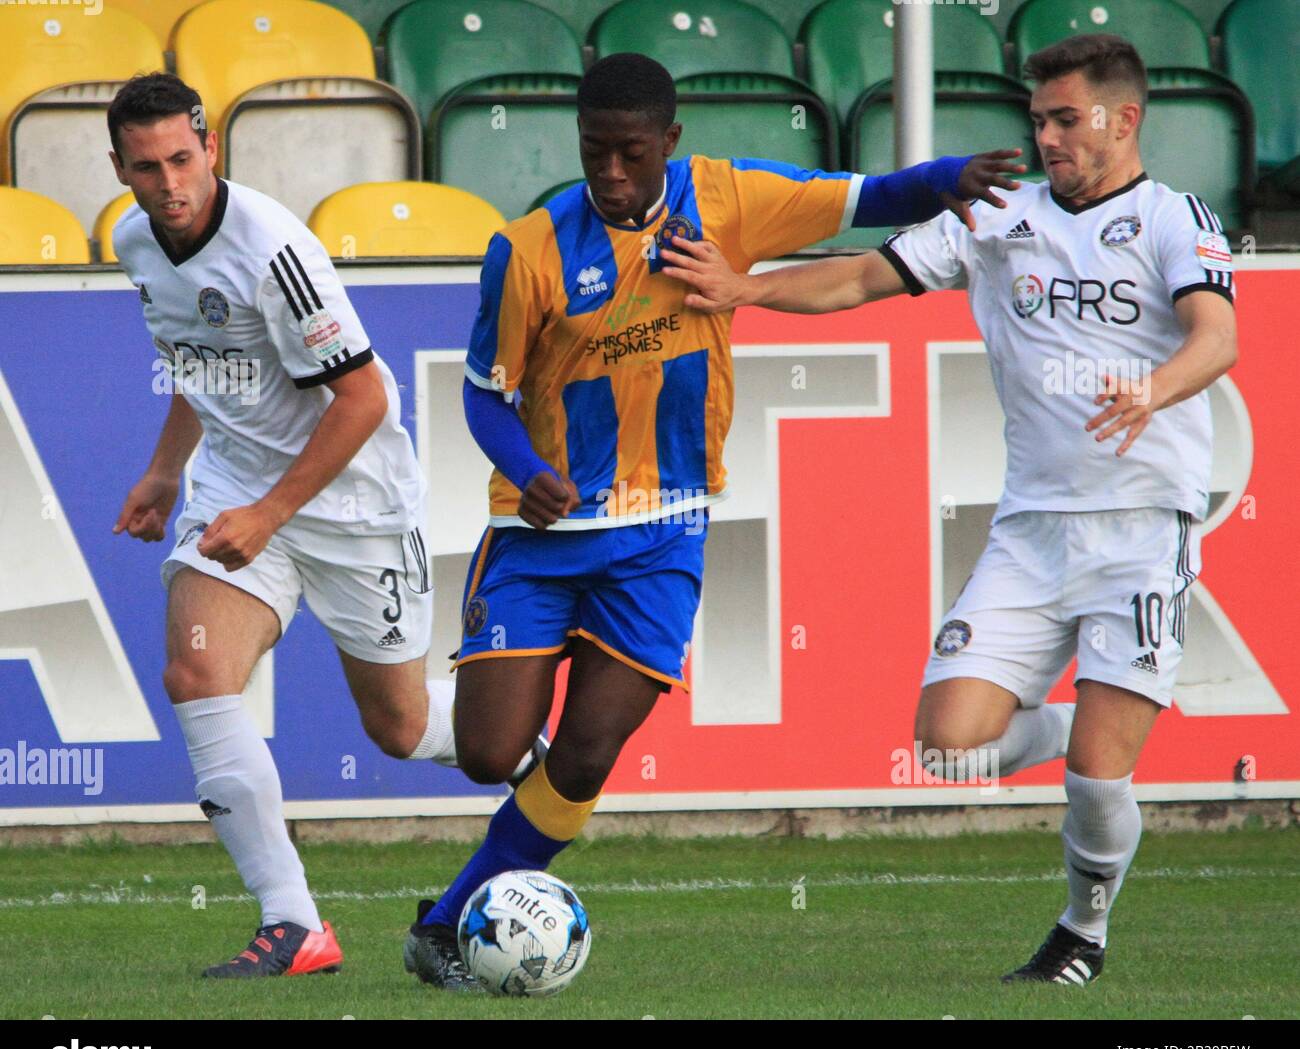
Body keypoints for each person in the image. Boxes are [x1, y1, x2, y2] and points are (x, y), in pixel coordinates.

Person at [405, 51, 1024, 989]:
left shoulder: (730, 201)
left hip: (664, 534)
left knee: (587, 752)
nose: (610, 172)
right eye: (593, 152)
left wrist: (951, 179)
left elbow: (866, 195)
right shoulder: (527, 248)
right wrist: (528, 469)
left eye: (630, 152)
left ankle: (446, 926)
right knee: (490, 749)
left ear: (671, 144)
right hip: (542, 542)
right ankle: (502, 839)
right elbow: (486, 396)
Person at [661, 34, 1237, 985]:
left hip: (1142, 526)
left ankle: (1081, 931)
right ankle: (1076, 722)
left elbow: (1216, 338)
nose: (1047, 137)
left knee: (1100, 776)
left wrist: (1153, 389)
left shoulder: (1176, 219)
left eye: (1066, 118)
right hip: (1029, 531)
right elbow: (857, 277)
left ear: (1123, 119)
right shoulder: (998, 213)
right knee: (948, 751)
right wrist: (741, 292)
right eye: (1039, 120)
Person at [108, 73, 535, 978]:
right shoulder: (135, 241)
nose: (170, 184)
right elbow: (201, 363)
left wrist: (271, 513)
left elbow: (363, 396)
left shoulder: (273, 249)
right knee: (195, 670)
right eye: (146, 168)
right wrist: (164, 470)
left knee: (401, 726)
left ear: (210, 148)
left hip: (353, 505)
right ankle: (295, 923)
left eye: (183, 159)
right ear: (120, 170)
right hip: (236, 488)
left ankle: (535, 743)